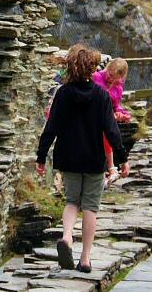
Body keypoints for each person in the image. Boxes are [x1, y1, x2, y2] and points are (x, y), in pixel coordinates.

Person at [37, 44, 129, 274]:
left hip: (68, 156)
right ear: (92, 68)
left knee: (71, 201)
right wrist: (122, 158)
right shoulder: (101, 96)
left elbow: (51, 127)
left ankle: (67, 237)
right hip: (94, 157)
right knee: (90, 207)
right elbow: (111, 130)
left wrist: (41, 156)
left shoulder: (63, 94)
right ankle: (86, 259)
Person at [92, 58, 131, 185]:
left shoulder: (118, 87)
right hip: (93, 116)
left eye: (113, 76)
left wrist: (119, 113)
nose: (109, 76)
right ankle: (109, 167)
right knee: (104, 131)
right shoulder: (96, 77)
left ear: (120, 76)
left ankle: (110, 168)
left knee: (109, 131)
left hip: (106, 118)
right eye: (109, 72)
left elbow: (116, 105)